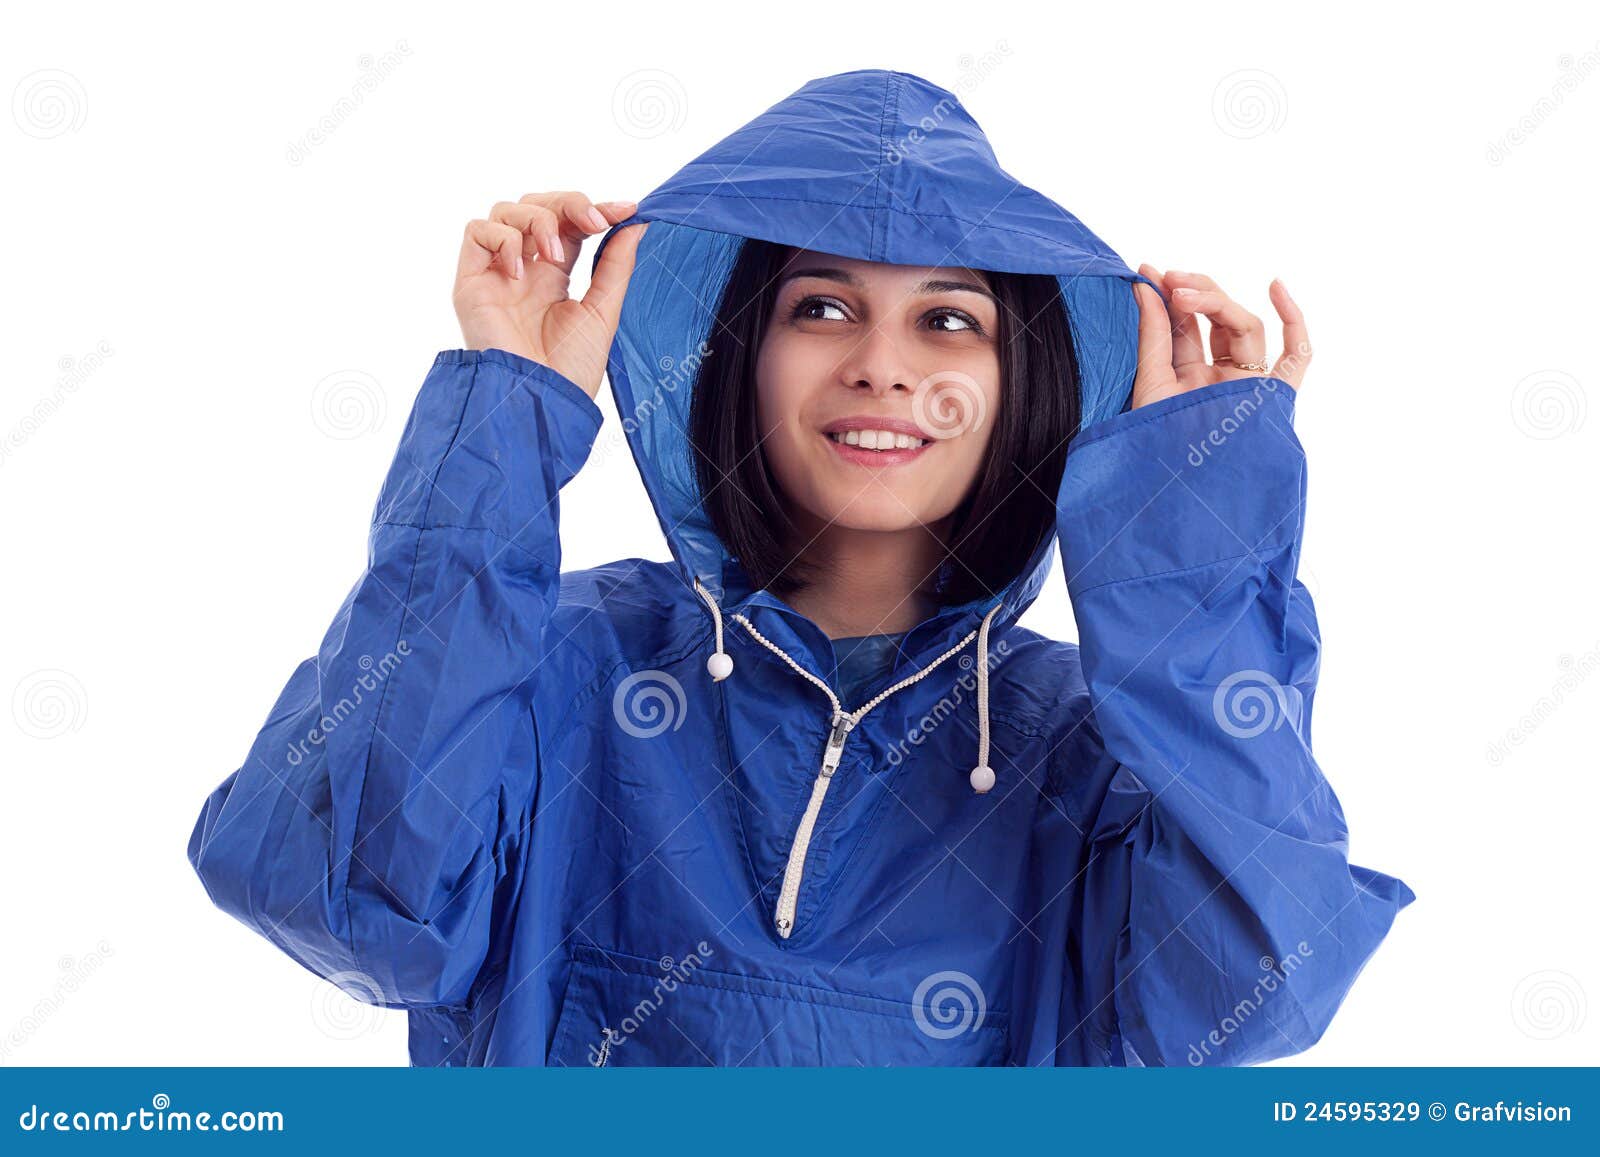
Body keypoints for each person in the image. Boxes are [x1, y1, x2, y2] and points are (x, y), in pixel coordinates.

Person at [187, 68, 1414, 1066]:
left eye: (949, 319)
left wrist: (1189, 512)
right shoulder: (556, 661)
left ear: (1020, 384)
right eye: (820, 308)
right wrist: (507, 411)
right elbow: (346, 898)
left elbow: (1254, 989)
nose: (882, 366)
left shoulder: (1088, 758)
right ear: (735, 358)